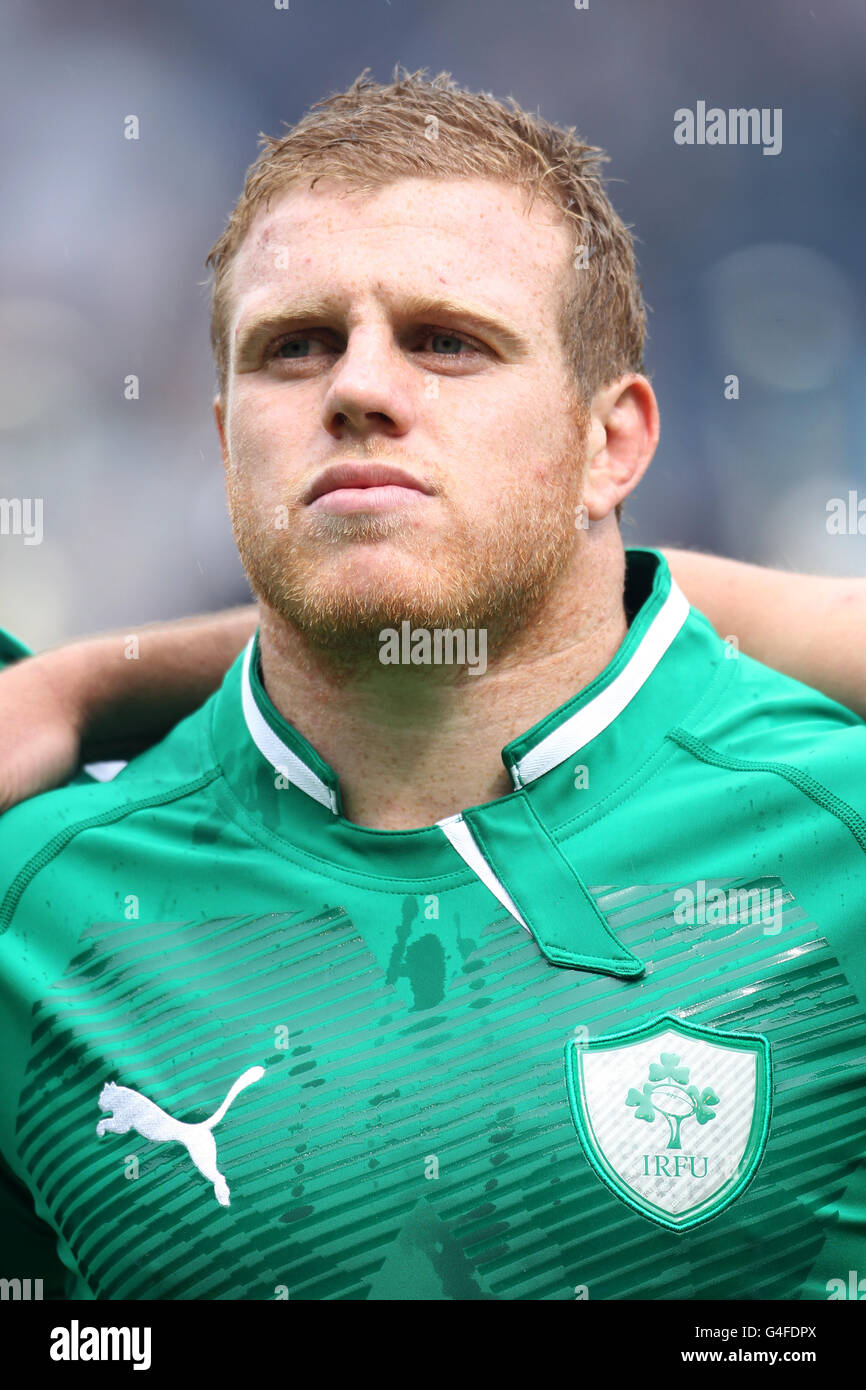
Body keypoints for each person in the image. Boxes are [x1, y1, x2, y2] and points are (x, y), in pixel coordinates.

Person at [1, 68, 864, 1302]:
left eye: (445, 341)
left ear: (607, 443)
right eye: (293, 347)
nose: (355, 388)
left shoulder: (839, 833)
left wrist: (96, 678)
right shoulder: (39, 899)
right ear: (224, 437)